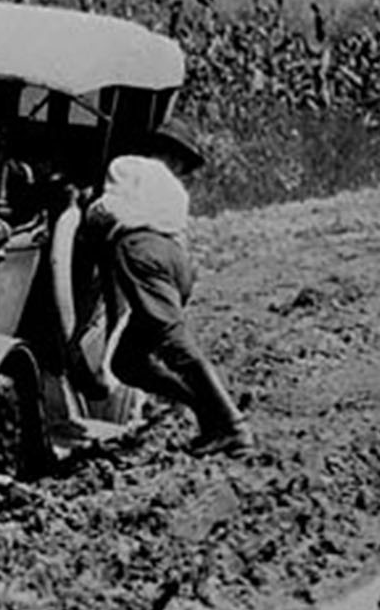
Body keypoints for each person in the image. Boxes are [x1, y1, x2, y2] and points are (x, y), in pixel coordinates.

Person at [72, 124, 254, 457]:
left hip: (140, 250)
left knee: (174, 341)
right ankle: (207, 411)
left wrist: (84, 208)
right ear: (176, 158)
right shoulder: (175, 190)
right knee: (128, 361)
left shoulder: (127, 166)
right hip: (177, 260)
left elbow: (108, 212)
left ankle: (233, 425)